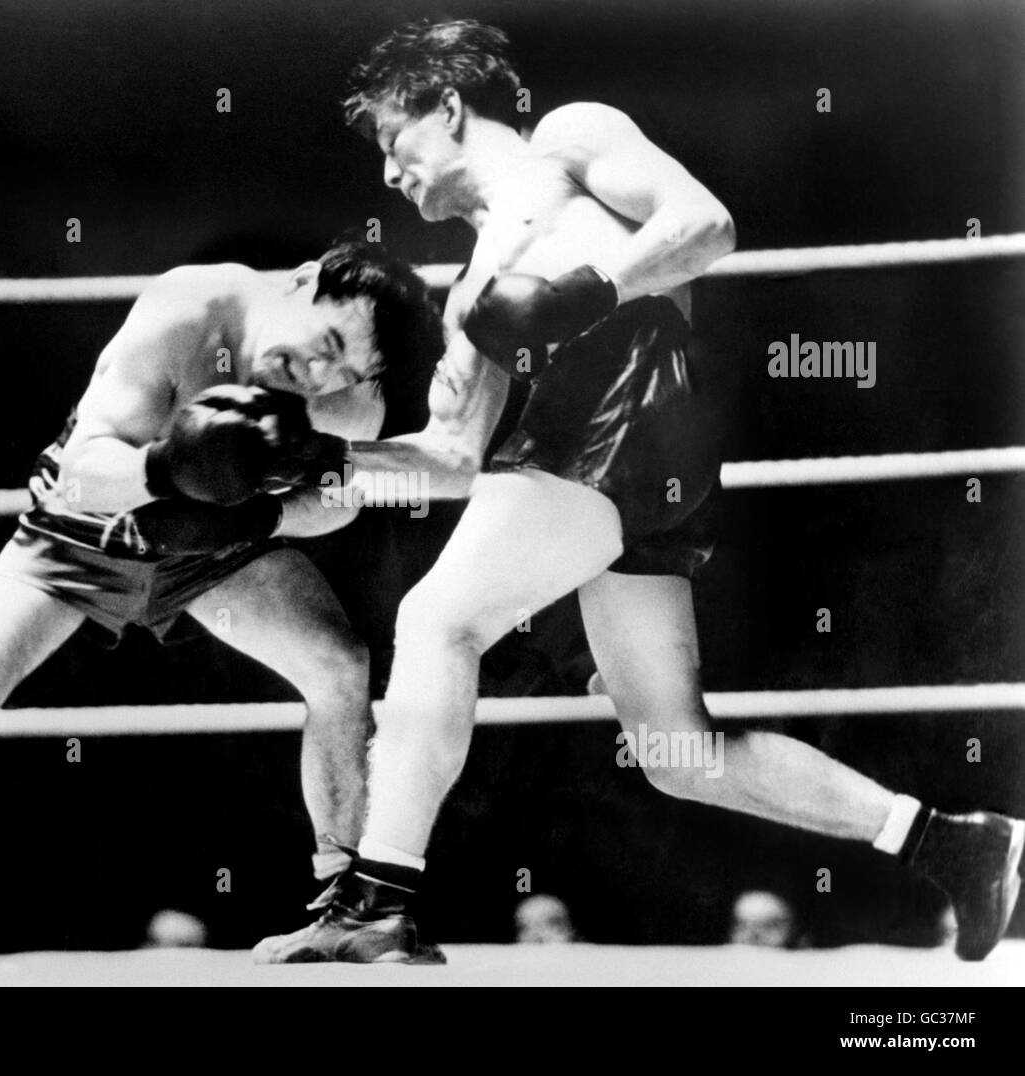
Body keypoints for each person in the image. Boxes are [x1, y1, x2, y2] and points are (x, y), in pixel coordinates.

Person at [253, 19, 1023, 964]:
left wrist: (580, 291)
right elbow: (452, 454)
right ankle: (949, 839)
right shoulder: (468, 290)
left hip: (631, 406)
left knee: (436, 619)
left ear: (447, 106)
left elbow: (706, 224)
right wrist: (315, 457)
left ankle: (377, 897)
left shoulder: (568, 138)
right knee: (674, 753)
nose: (388, 175)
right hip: (598, 461)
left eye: (391, 140)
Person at [0, 241, 444, 974]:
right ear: (299, 283)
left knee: (338, 665)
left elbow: (341, 502)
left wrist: (260, 518)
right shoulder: (186, 310)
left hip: (214, 547)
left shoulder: (349, 391)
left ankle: (346, 908)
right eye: (324, 345)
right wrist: (171, 467)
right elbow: (81, 476)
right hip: (85, 530)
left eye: (345, 370)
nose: (319, 377)